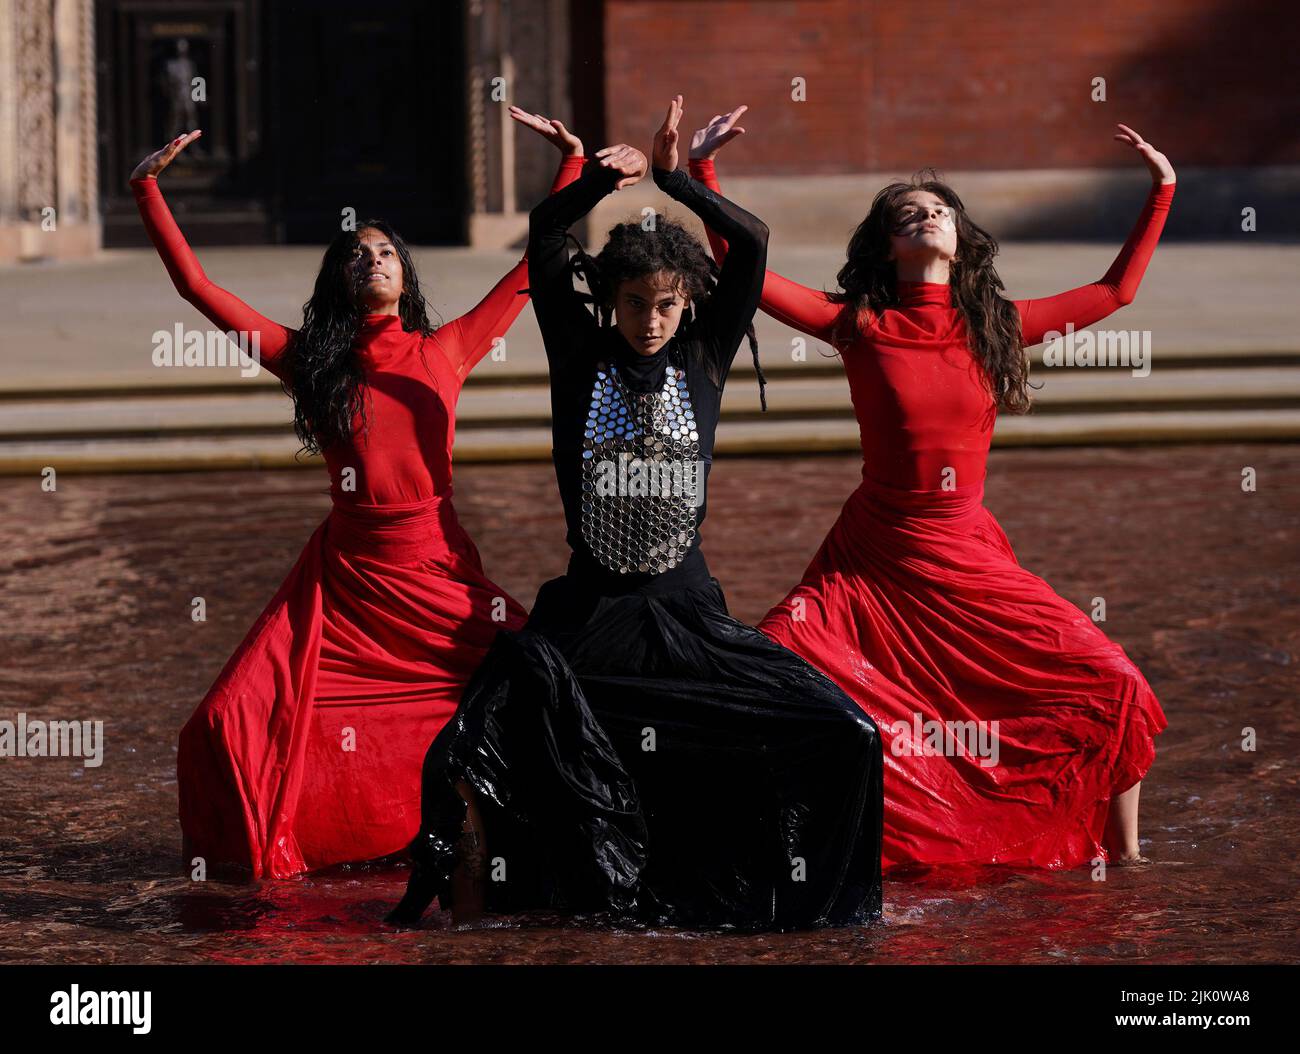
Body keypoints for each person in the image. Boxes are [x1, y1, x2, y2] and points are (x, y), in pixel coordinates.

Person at [388, 98, 883, 931]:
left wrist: (680, 182)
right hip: (590, 613)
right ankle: (479, 928)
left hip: (687, 612)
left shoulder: (705, 355)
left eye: (663, 304)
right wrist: (590, 180)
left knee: (846, 733)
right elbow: (546, 238)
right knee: (466, 752)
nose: (648, 321)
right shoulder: (578, 358)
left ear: (688, 300)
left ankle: (816, 918)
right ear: (608, 302)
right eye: (632, 304)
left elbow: (753, 244)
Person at [688, 111, 1172, 871]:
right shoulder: (860, 324)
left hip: (965, 548)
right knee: (774, 664)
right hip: (873, 555)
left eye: (939, 209)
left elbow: (1117, 293)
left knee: (1111, 680)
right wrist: (702, 173)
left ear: (960, 236)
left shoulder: (997, 327)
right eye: (908, 213)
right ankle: (782, 849)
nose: (927, 216)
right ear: (887, 244)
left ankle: (1126, 862)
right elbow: (740, 264)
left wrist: (1162, 187)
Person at [131, 118, 585, 879]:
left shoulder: (446, 350)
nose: (371, 261)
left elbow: (533, 268)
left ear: (404, 274)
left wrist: (570, 165)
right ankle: (294, 855)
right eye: (355, 255)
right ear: (338, 279)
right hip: (345, 582)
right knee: (222, 724)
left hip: (435, 570)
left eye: (384, 253)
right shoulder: (308, 363)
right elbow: (198, 288)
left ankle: (520, 842)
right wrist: (146, 189)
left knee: (546, 678)